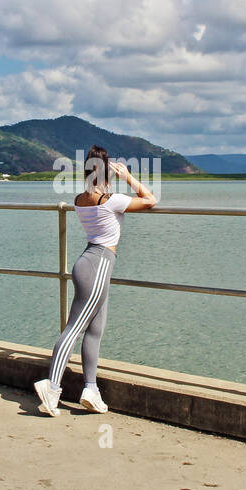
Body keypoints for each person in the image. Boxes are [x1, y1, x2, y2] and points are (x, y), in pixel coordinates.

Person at [33, 145, 157, 416]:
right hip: (99, 263)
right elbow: (150, 200)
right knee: (75, 328)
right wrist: (127, 177)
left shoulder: (80, 199)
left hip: (90, 260)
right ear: (107, 171)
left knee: (95, 330)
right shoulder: (110, 200)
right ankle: (51, 386)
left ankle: (90, 389)